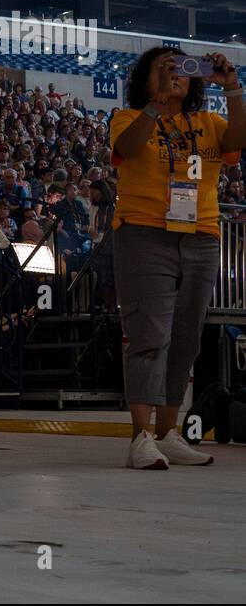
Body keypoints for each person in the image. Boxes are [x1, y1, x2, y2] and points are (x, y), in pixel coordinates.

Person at [110, 47, 245, 470]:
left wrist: (234, 88)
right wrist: (155, 105)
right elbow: (128, 150)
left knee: (187, 338)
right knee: (149, 335)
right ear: (144, 80)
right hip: (143, 232)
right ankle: (141, 437)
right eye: (165, 69)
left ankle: (168, 433)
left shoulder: (207, 122)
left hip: (201, 234)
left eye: (184, 69)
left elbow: (239, 141)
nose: (177, 76)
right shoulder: (128, 117)